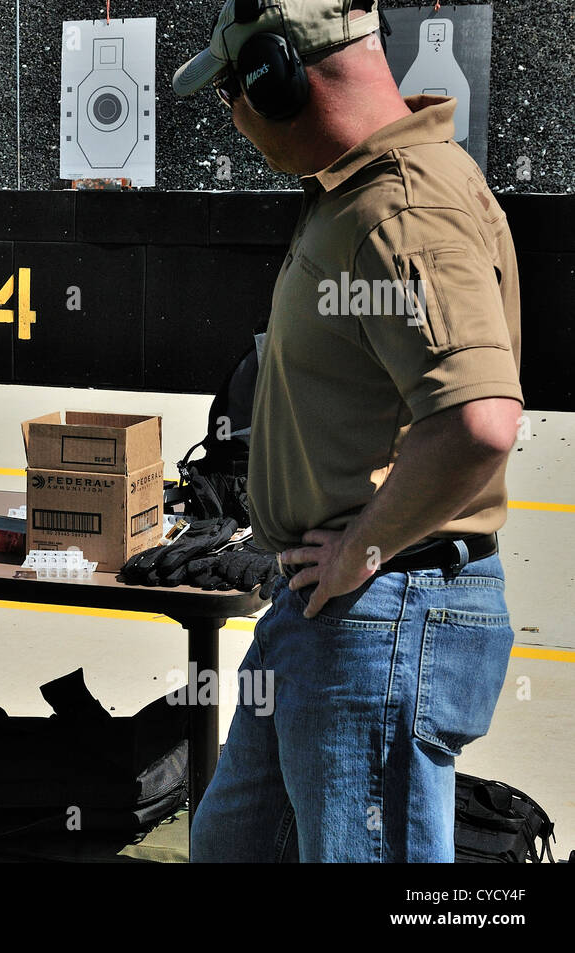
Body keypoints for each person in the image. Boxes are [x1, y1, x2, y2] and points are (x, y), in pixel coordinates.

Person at [173, 0, 524, 861]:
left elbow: (479, 421)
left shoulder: (400, 210)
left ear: (275, 74)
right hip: (333, 609)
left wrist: (364, 547)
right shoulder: (358, 194)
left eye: (231, 87)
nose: (233, 113)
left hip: (381, 610)